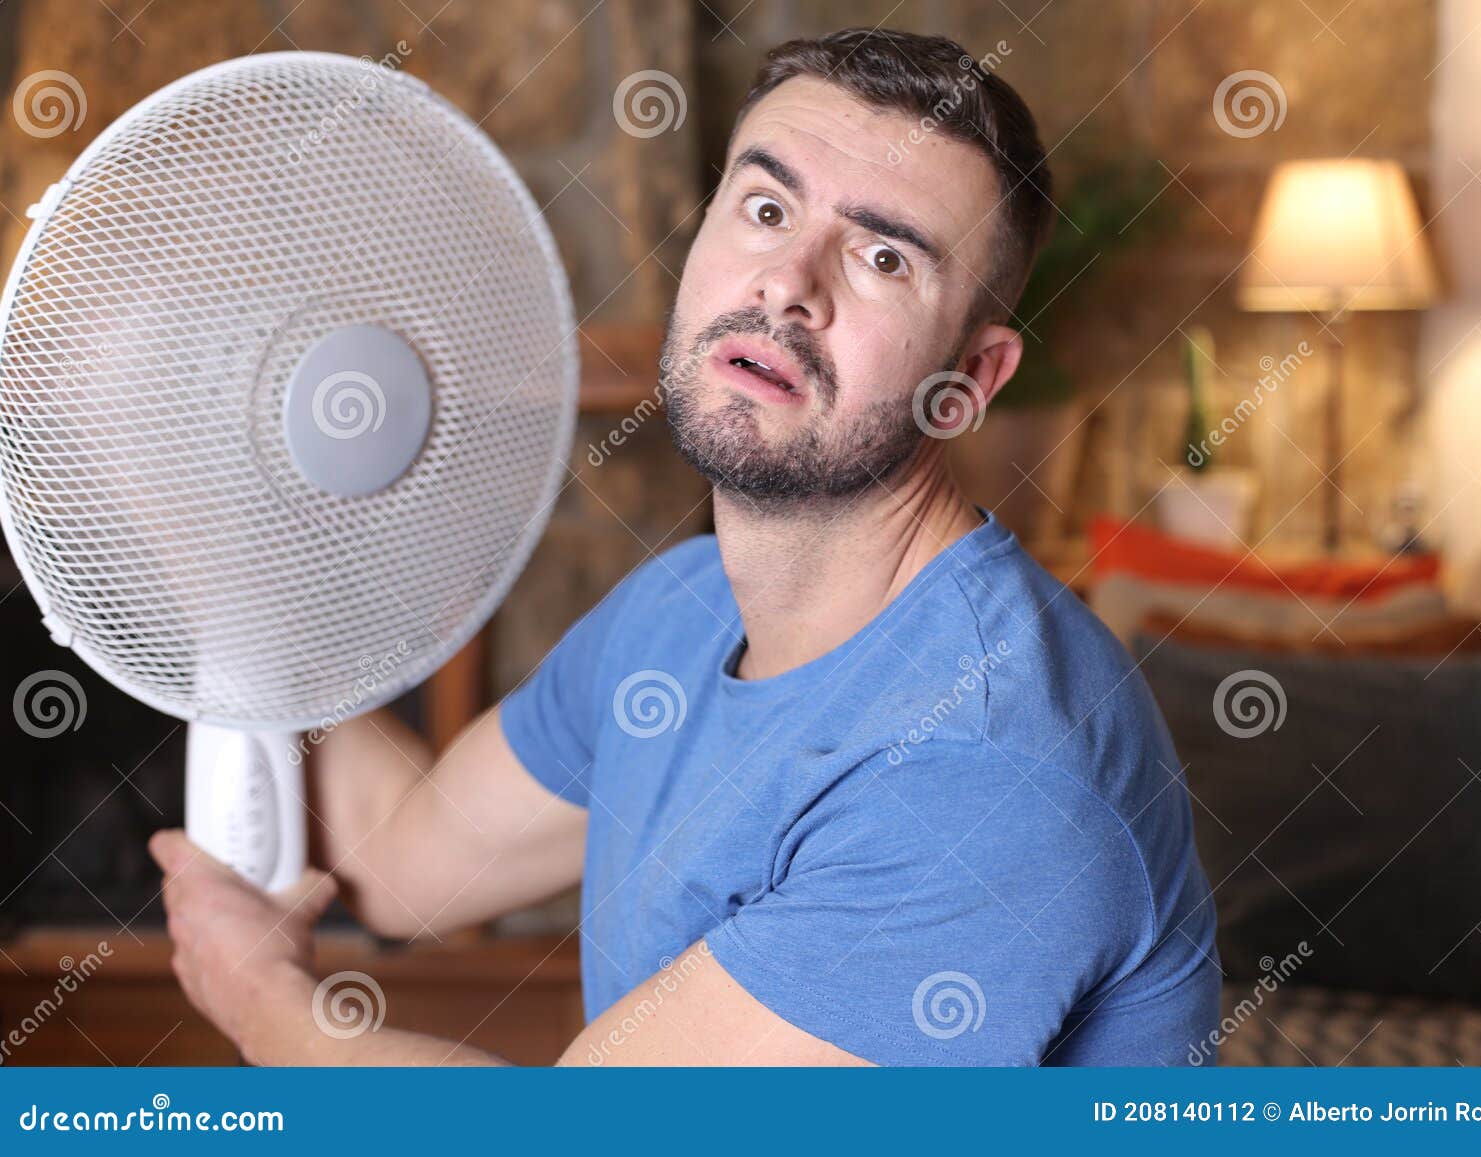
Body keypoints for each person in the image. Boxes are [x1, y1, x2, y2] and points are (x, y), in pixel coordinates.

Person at [151, 26, 1220, 1066]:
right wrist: (217, 543)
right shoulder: (680, 609)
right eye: (764, 208)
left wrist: (268, 1009)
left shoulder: (981, 773)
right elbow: (398, 860)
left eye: (882, 255)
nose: (787, 281)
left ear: (971, 381)